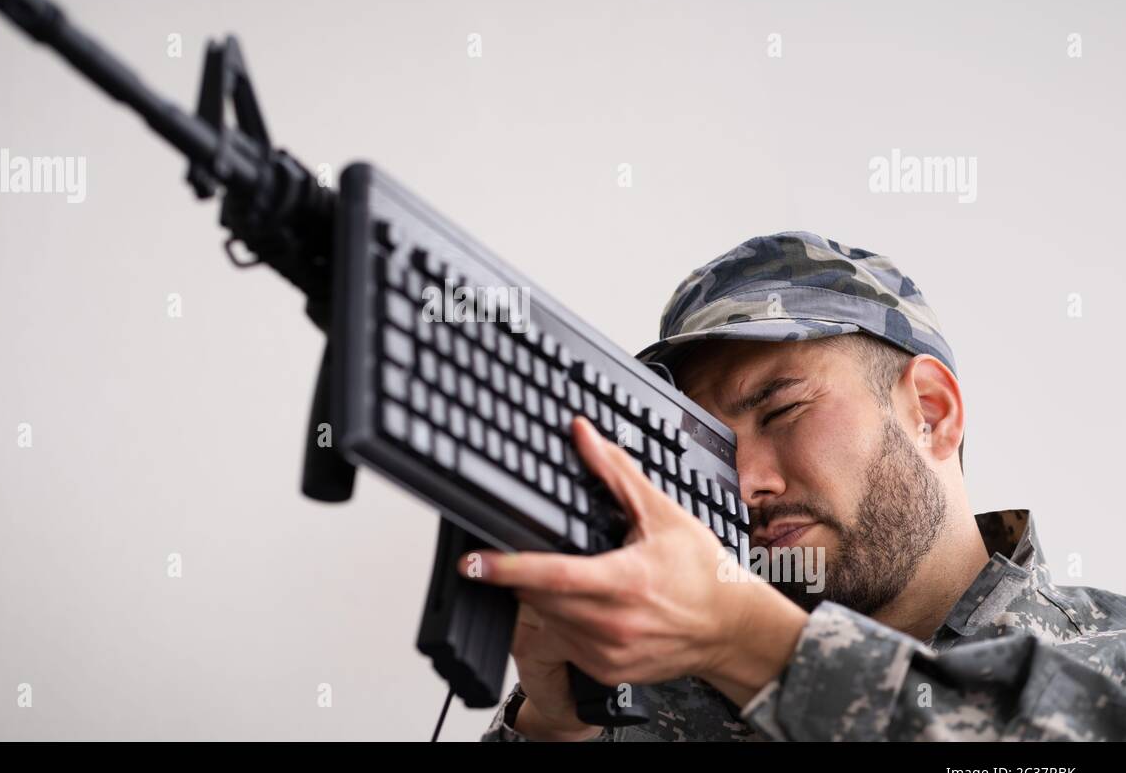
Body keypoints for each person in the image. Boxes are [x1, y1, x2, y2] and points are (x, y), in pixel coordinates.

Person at [471, 231, 1126, 741]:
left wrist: (747, 640)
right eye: (714, 449)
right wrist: (552, 731)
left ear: (931, 411)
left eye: (782, 412)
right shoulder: (643, 697)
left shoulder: (1107, 663)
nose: (748, 483)